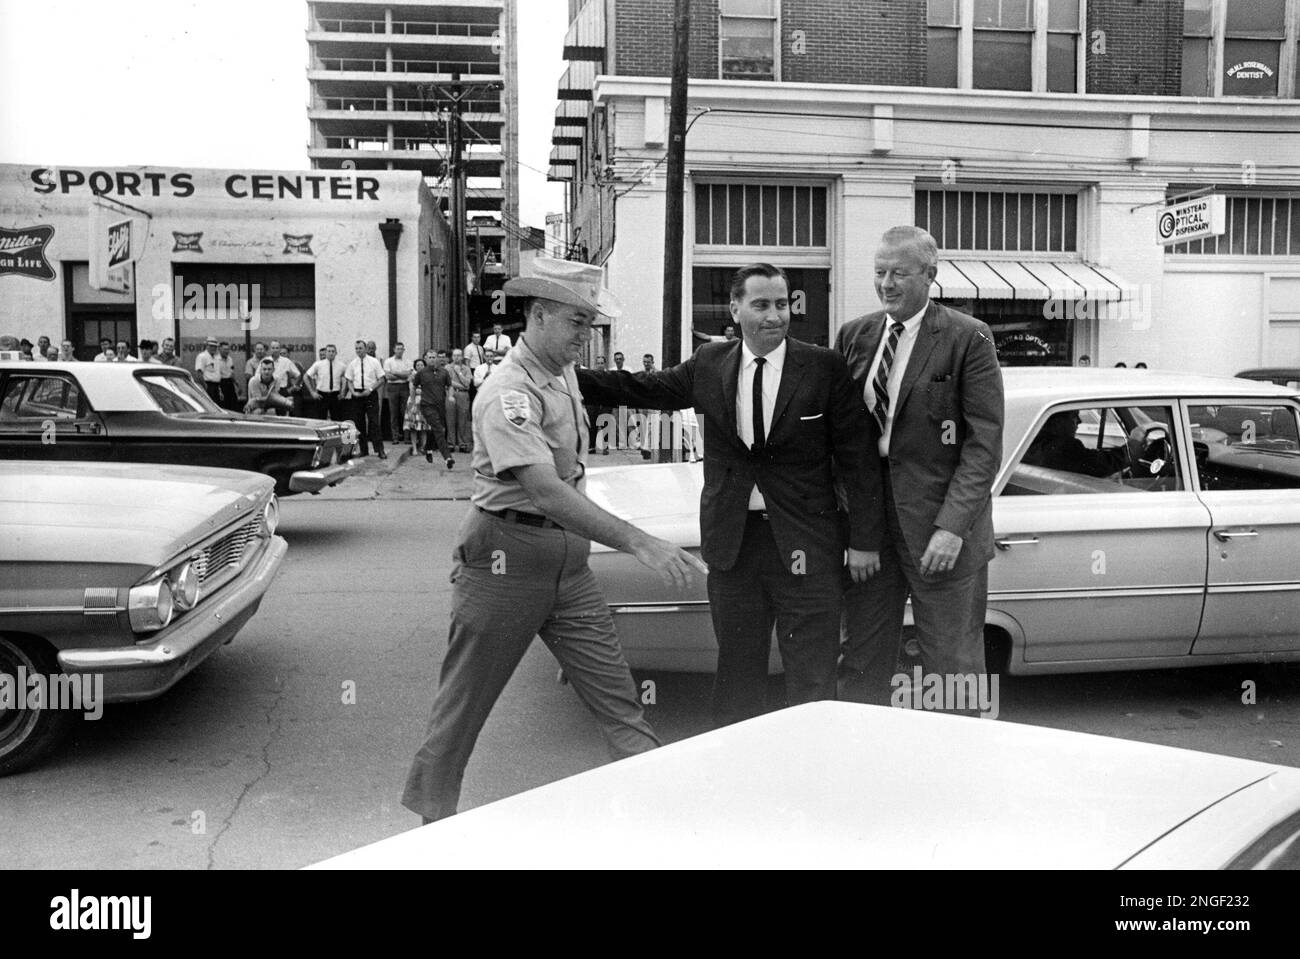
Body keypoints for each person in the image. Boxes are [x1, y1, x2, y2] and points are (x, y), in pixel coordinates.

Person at [401, 257, 705, 824]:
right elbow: (544, 490)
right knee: (462, 709)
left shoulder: (560, 371)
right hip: (504, 560)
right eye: (576, 323)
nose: (584, 337)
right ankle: (431, 827)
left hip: (568, 567)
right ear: (538, 317)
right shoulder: (507, 392)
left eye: (590, 325)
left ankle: (668, 820)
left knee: (620, 702)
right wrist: (641, 542)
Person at [578, 262, 880, 727]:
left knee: (813, 677)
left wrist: (864, 539)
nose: (774, 316)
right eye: (761, 305)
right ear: (736, 308)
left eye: (782, 304)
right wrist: (562, 372)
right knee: (738, 673)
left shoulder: (822, 367)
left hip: (807, 547)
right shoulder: (710, 363)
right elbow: (644, 387)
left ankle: (816, 772)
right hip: (733, 547)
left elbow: (858, 458)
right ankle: (738, 777)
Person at [835, 226, 1004, 712]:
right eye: (879, 273)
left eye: (899, 274)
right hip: (870, 530)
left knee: (952, 668)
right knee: (863, 660)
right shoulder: (855, 335)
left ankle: (957, 772)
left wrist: (952, 529)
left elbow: (983, 444)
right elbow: (843, 438)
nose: (886, 284)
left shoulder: (967, 337)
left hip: (940, 532)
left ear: (930, 275)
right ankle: (866, 766)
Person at [1022, 410, 1127, 477]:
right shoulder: (1063, 448)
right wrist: (1131, 449)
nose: (1079, 421)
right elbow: (1100, 464)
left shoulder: (1029, 445)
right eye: (1074, 415)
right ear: (1056, 422)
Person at [343, 339, 387, 458]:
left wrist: (370, 390)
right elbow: (349, 380)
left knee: (374, 422)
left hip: (370, 394)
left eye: (361, 348)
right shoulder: (352, 364)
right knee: (359, 423)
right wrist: (353, 392)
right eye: (356, 348)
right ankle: (364, 450)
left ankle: (380, 450)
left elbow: (382, 379)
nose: (358, 350)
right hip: (357, 395)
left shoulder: (374, 362)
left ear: (366, 349)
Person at [414, 349, 454, 467]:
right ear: (425, 359)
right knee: (439, 429)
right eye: (429, 357)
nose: (432, 359)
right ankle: (447, 457)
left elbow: (450, 385)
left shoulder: (444, 372)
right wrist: (413, 403)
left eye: (434, 357)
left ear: (437, 358)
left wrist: (451, 396)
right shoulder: (421, 373)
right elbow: (413, 386)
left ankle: (428, 448)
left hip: (440, 406)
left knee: (434, 428)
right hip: (427, 405)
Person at [305, 344, 348, 421]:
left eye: (333, 351)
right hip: (321, 396)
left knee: (337, 420)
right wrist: (312, 392)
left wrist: (343, 392)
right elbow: (306, 377)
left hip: (335, 396)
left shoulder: (342, 366)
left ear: (336, 353)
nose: (331, 353)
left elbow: (348, 378)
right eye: (329, 351)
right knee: (320, 420)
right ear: (326, 353)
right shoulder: (318, 364)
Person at [384, 342, 414, 443]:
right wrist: (402, 375)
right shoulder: (388, 361)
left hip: (404, 387)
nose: (400, 351)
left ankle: (406, 437)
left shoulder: (408, 361)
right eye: (398, 349)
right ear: (394, 349)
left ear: (404, 350)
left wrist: (395, 372)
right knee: (393, 412)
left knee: (405, 412)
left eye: (401, 349)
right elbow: (388, 376)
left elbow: (408, 374)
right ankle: (395, 437)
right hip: (392, 387)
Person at [446, 348, 473, 452]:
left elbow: (468, 383)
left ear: (462, 357)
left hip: (463, 395)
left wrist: (459, 373)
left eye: (459, 355)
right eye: (455, 355)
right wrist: (463, 385)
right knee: (450, 418)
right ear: (452, 356)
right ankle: (451, 443)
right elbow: (448, 382)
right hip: (451, 393)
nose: (457, 357)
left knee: (463, 419)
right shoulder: (447, 368)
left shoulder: (466, 369)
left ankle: (462, 443)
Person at [405, 358, 431, 456]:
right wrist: (413, 403)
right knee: (413, 426)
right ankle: (414, 448)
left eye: (421, 365)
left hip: (424, 401)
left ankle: (423, 447)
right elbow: (411, 388)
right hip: (414, 401)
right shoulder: (412, 376)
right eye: (417, 365)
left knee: (424, 426)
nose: (419, 366)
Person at [195, 337, 222, 401]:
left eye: (215, 346)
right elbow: (199, 374)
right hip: (208, 385)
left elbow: (217, 375)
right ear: (207, 346)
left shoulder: (216, 357)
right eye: (211, 346)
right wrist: (205, 387)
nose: (214, 348)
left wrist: (219, 390)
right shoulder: (202, 356)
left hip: (216, 386)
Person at [217, 342, 239, 409]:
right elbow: (216, 377)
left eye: (228, 349)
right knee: (224, 405)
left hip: (230, 383)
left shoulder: (230, 359)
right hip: (221, 383)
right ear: (219, 349)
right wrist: (219, 390)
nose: (226, 351)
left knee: (233, 404)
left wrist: (236, 383)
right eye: (224, 349)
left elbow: (231, 372)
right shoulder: (216, 360)